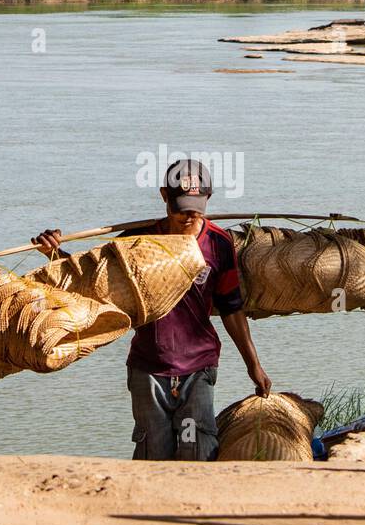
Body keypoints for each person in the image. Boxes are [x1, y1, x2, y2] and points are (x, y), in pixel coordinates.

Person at [32, 158, 271, 461]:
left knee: (197, 450)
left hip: (199, 368)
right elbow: (92, 281)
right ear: (163, 196)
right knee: (153, 456)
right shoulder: (138, 241)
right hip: (148, 368)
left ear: (208, 198)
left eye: (195, 208)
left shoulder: (218, 244)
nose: (187, 216)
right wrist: (55, 253)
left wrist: (254, 365)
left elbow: (231, 308)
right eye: (179, 206)